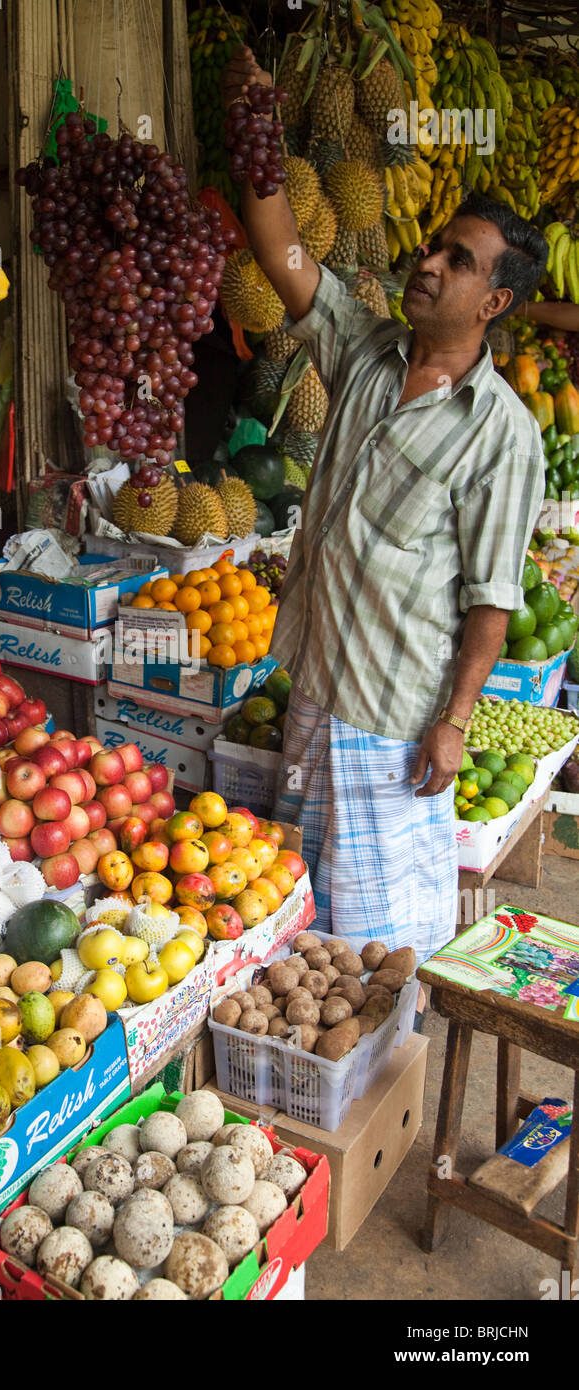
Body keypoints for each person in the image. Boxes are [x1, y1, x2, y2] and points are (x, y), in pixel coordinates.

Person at [222, 49, 548, 963]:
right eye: (436, 244)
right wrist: (260, 138)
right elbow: (282, 255)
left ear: (496, 300)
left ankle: (383, 1071)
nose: (430, 262)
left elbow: (492, 596)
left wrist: (455, 722)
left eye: (459, 260)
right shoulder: (364, 348)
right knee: (300, 906)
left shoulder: (501, 431)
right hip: (318, 681)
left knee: (373, 937)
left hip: (394, 708)